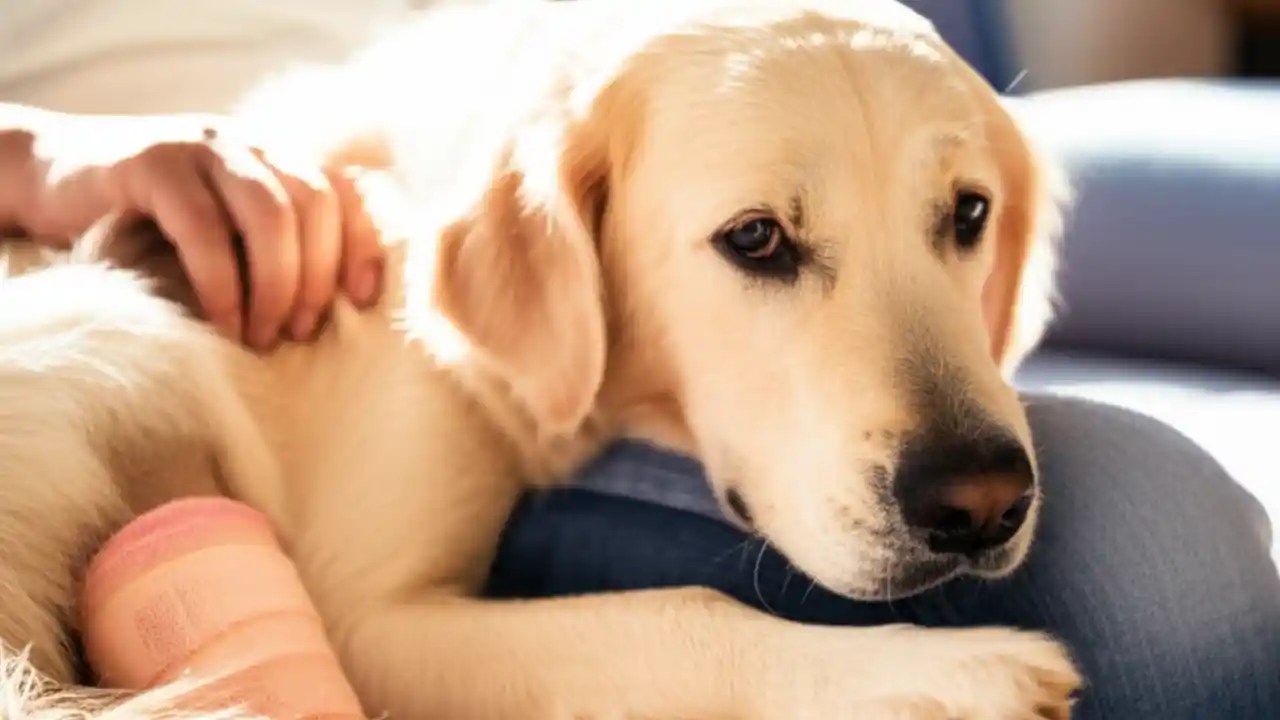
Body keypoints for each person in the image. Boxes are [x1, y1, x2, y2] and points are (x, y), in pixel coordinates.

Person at [1, 2, 1276, 718]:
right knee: (1159, 557)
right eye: (761, 245)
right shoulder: (419, 273)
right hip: (294, 209)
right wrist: (41, 151)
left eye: (967, 222)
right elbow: (374, 622)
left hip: (740, 77)